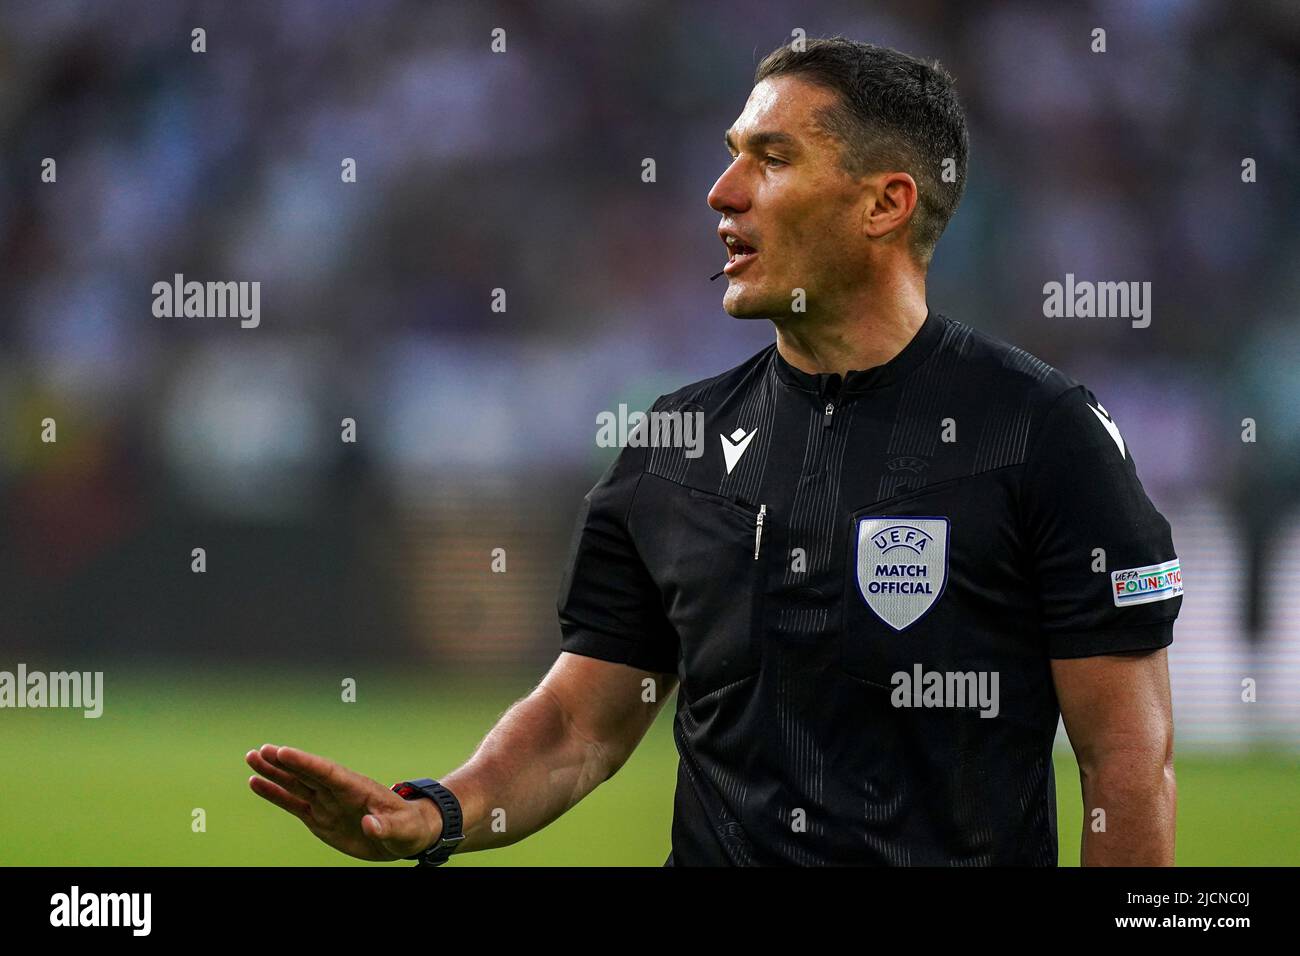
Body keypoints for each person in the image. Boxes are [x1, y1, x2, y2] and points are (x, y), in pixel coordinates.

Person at [246, 36, 1181, 866]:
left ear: (886, 204)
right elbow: (580, 726)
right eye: (733, 155)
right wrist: (437, 813)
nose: (722, 192)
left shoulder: (1041, 433)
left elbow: (1126, 767)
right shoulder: (672, 447)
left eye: (772, 159)